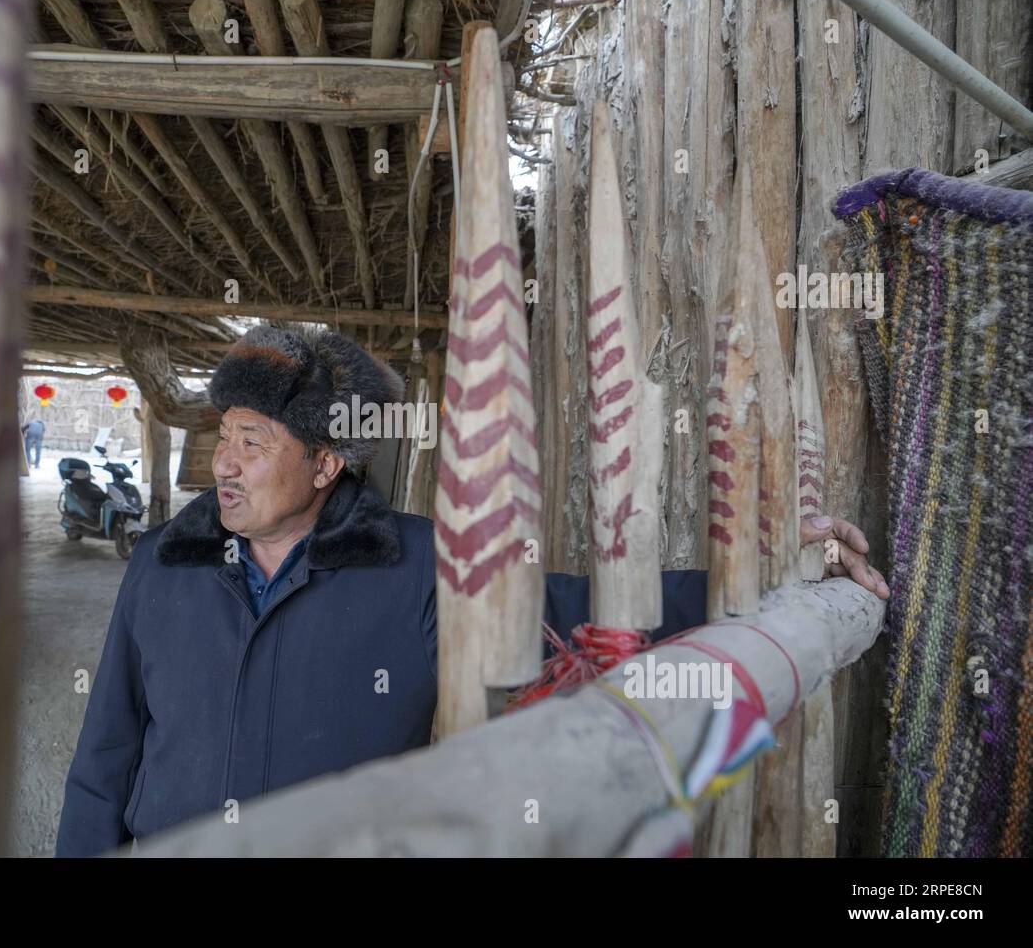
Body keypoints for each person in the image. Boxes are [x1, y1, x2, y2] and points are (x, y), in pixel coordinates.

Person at [55, 326, 888, 857]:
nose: (224, 463)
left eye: (252, 439)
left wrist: (781, 571)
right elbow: (104, 757)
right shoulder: (164, 562)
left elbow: (583, 605)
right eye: (222, 435)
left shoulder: (414, 567)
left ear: (326, 461)